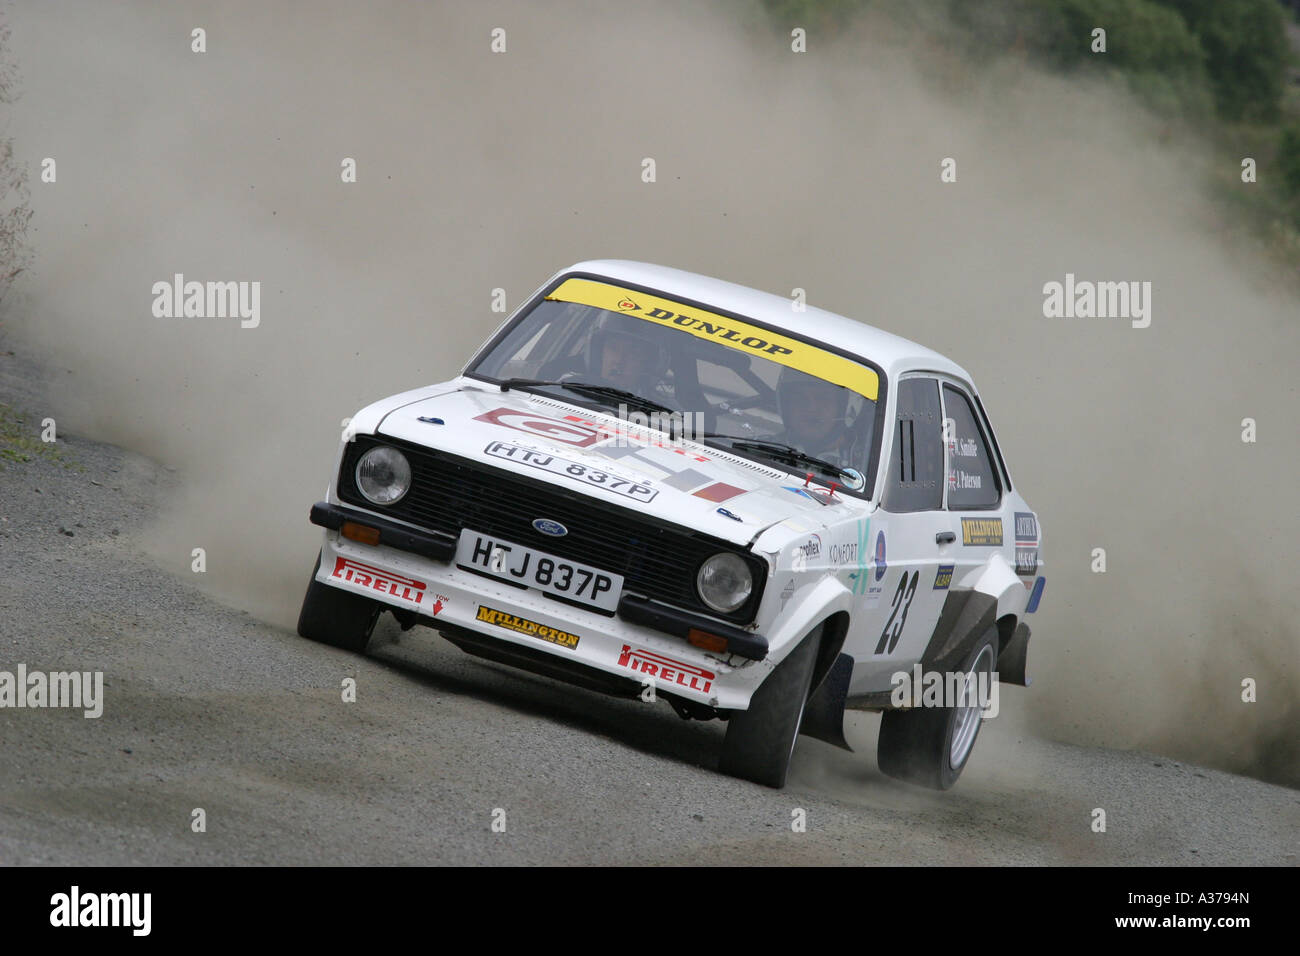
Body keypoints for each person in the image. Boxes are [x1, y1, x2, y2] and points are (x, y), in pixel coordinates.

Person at [775, 369, 855, 467]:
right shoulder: (764, 448)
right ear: (785, 406)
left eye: (823, 399)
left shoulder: (867, 467)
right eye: (800, 398)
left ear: (842, 408)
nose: (811, 408)